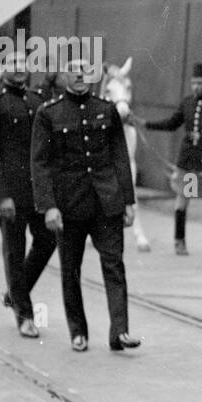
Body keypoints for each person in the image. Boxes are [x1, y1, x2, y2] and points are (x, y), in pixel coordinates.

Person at [31, 53, 140, 353]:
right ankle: (78, 331)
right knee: (70, 270)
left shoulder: (107, 111)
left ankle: (120, 331)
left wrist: (128, 201)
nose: (79, 75)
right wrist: (49, 206)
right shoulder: (48, 114)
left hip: (107, 203)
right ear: (64, 76)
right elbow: (40, 165)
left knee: (114, 265)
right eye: (73, 71)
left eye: (84, 70)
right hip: (69, 206)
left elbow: (120, 158)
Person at [0, 47, 56, 338]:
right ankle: (24, 315)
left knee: (48, 240)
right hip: (10, 192)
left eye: (24, 62)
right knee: (14, 249)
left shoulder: (38, 101)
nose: (20, 67)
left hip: (37, 191)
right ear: (3, 69)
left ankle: (14, 292)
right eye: (13, 63)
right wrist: (1, 195)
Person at [140, 62, 202, 260]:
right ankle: (179, 241)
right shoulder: (187, 103)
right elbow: (171, 124)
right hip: (189, 163)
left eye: (200, 83)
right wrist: (143, 123)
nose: (196, 87)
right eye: (193, 83)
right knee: (184, 200)